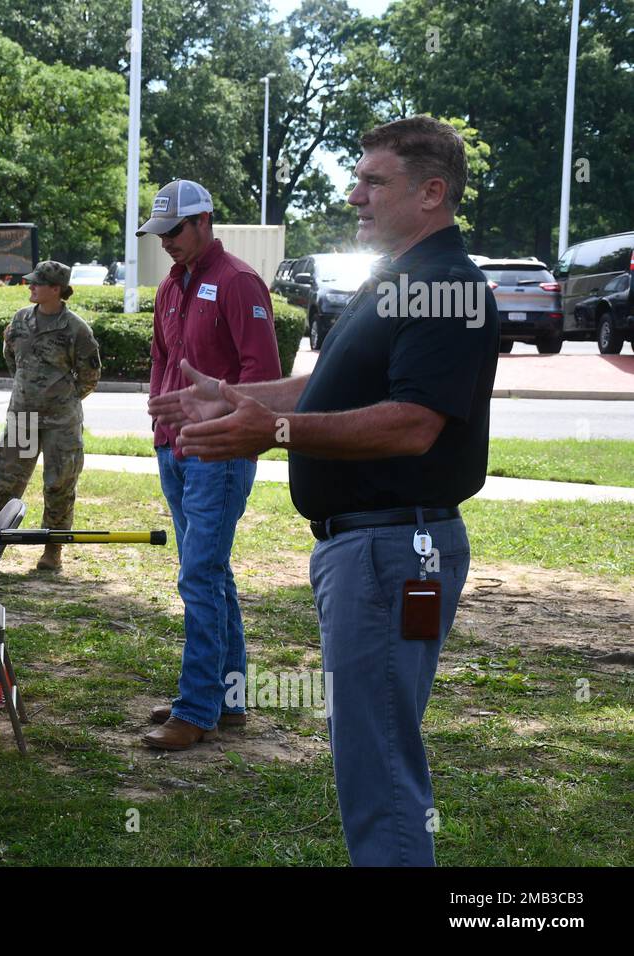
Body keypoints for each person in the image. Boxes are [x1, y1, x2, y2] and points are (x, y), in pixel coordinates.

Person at [155, 116, 498, 865]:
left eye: (375, 181)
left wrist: (269, 435)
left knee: (375, 758)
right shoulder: (397, 279)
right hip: (371, 548)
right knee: (370, 746)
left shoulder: (448, 289)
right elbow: (323, 387)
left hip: (392, 549)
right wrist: (234, 395)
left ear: (433, 192)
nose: (355, 195)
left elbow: (413, 425)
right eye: (359, 179)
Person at [137, 179, 283, 751]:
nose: (166, 242)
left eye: (174, 231)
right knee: (212, 574)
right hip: (175, 449)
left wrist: (220, 421)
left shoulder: (238, 281)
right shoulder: (173, 285)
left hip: (218, 455)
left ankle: (196, 709)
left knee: (198, 576)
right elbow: (162, 362)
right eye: (160, 234)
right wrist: (160, 428)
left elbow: (263, 380)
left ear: (204, 222)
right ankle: (228, 697)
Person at [0, 260, 101, 570]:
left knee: (59, 484)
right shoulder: (20, 320)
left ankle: (52, 550)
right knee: (5, 483)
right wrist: (29, 391)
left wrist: (62, 398)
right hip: (22, 416)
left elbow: (89, 374)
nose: (30, 286)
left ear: (56, 289)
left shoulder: (76, 328)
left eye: (37, 283)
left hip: (61, 420)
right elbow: (12, 357)